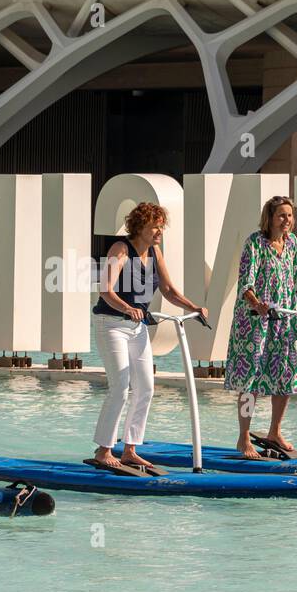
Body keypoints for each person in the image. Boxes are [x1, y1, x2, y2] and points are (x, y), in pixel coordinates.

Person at [92, 202, 207, 471]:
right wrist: (128, 308)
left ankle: (130, 450)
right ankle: (104, 450)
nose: (159, 231)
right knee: (120, 387)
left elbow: (168, 289)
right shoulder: (120, 249)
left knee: (146, 387)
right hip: (111, 324)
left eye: (161, 226)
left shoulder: (155, 252)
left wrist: (194, 307)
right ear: (139, 226)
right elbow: (105, 289)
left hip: (137, 327)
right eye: (155, 225)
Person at [224, 195, 297, 459]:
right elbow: (246, 283)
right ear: (270, 218)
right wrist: (257, 303)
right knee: (249, 380)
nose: (287, 220)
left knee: (285, 376)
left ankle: (274, 431)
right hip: (253, 323)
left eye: (290, 215)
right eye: (281, 216)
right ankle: (243, 438)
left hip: (283, 320)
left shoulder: (292, 243)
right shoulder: (255, 243)